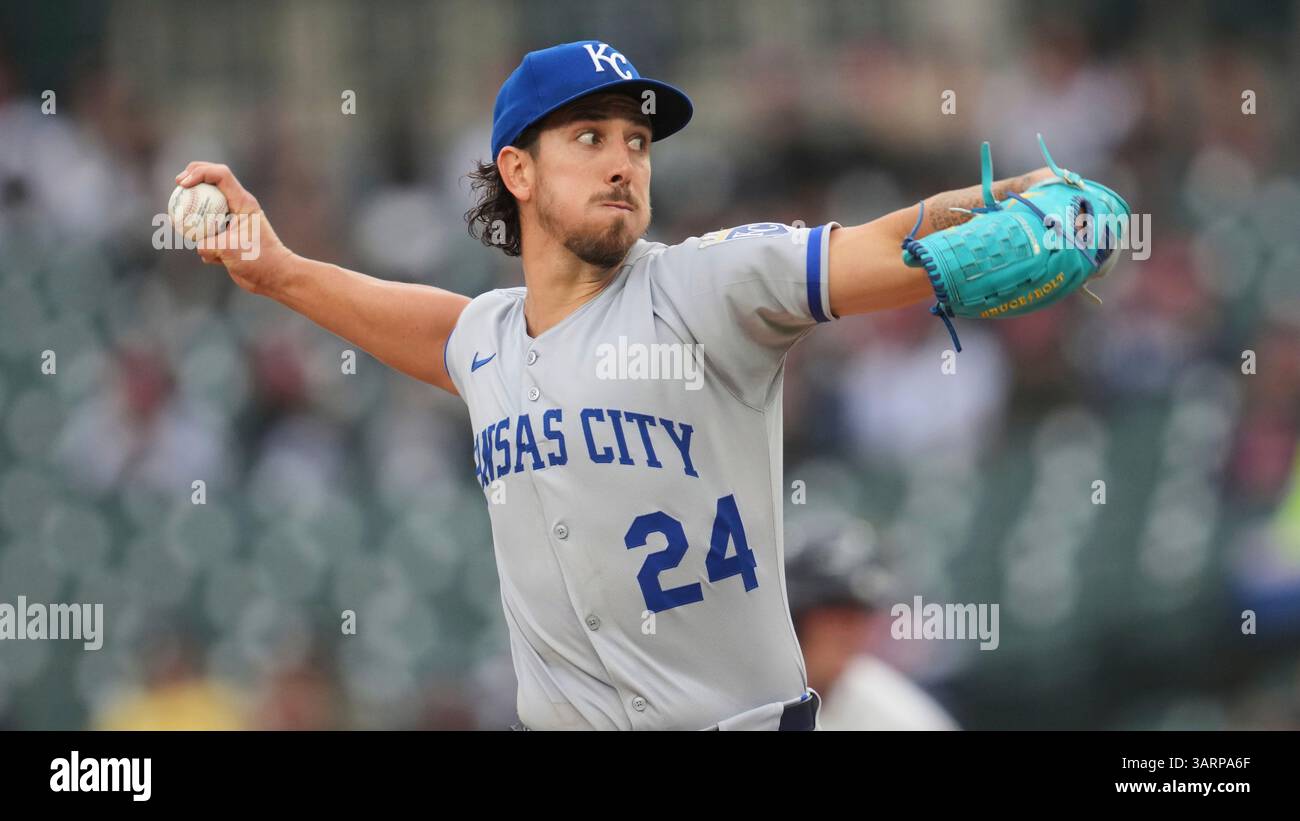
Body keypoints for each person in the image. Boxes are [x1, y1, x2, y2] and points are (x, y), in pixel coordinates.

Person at [174, 40, 1069, 730]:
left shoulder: (706, 285)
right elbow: (434, 326)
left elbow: (871, 245)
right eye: (590, 136)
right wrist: (279, 271)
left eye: (638, 141)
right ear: (517, 171)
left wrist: (1012, 199)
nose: (624, 162)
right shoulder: (487, 341)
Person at [785, 515, 958, 731]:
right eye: (835, 613)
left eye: (859, 615)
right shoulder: (744, 693)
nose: (850, 632)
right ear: (796, 617)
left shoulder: (898, 716)